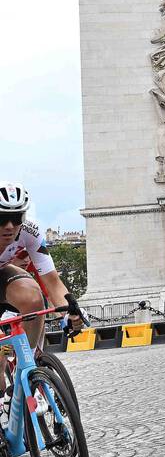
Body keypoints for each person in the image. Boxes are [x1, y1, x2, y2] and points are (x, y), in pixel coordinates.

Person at [0, 183, 84, 429]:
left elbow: (53, 282)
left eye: (15, 219)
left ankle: (28, 365)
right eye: (2, 218)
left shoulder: (29, 231)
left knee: (34, 296)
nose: (9, 226)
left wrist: (70, 309)